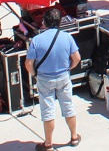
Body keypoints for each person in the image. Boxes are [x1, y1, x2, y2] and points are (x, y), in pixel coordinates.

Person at [25, 8, 81, 150]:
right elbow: (77, 58)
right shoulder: (67, 37)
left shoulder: (37, 40)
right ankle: (74, 136)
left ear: (44, 23)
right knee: (68, 106)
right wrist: (68, 68)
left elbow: (28, 64)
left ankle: (48, 144)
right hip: (63, 77)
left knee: (48, 111)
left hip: (44, 79)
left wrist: (34, 75)